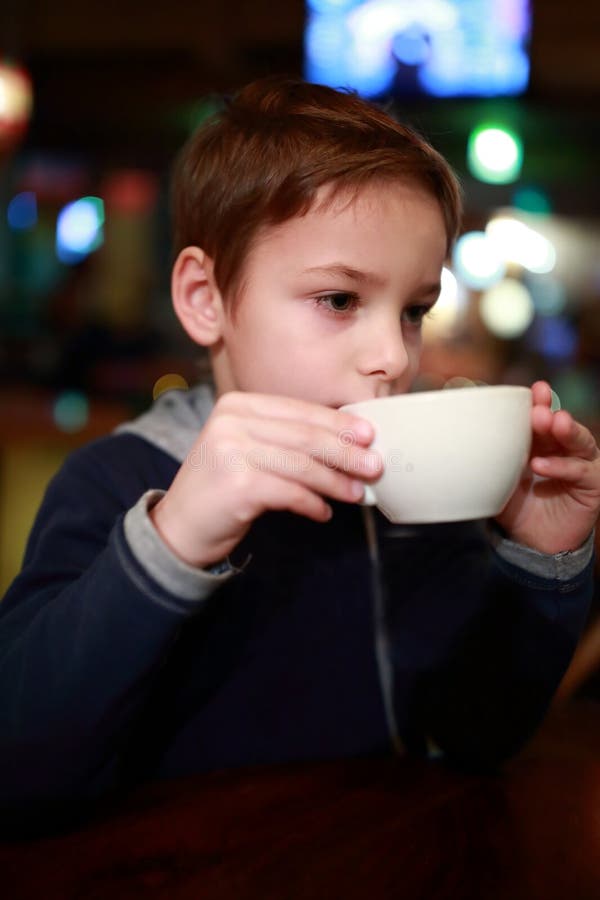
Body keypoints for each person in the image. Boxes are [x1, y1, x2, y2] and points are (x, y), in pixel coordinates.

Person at [1, 76, 598, 833]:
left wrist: (541, 563)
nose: (392, 354)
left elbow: (475, 734)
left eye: (414, 310)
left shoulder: (409, 491)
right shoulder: (116, 481)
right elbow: (19, 768)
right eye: (340, 300)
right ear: (205, 298)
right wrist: (173, 539)